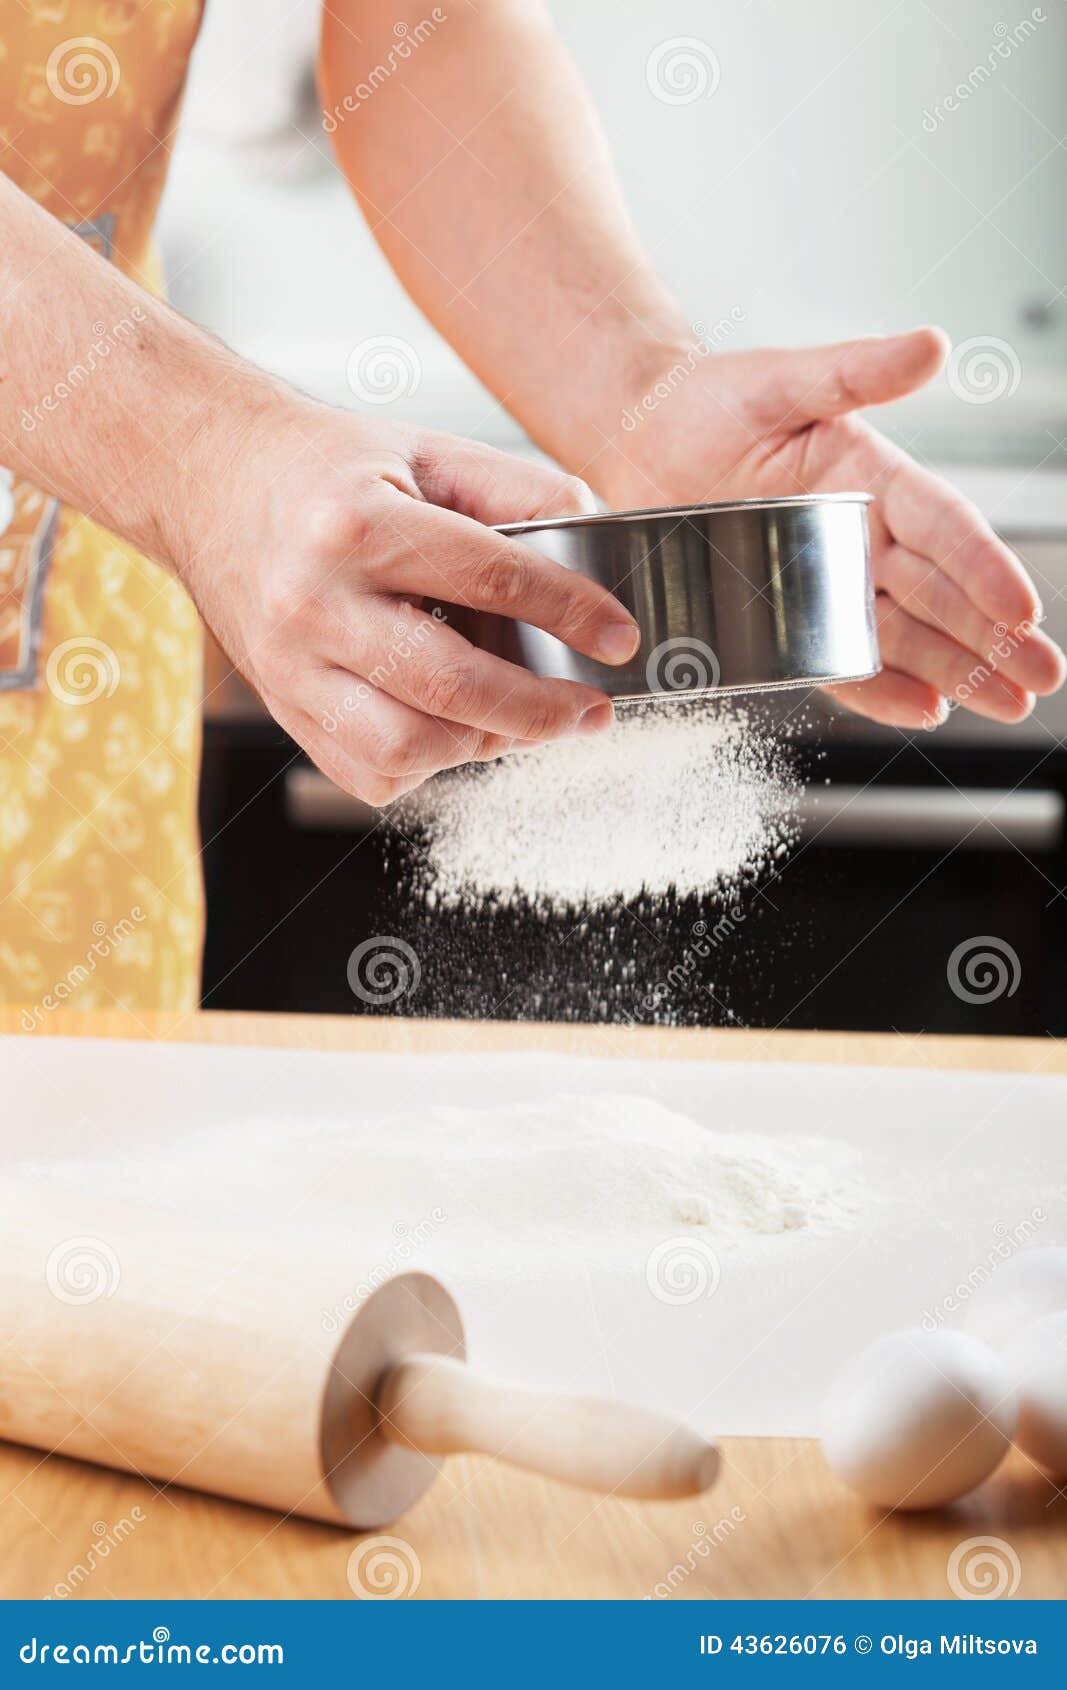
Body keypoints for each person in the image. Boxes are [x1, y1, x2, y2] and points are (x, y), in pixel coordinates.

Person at [1, 1, 1062, 1018]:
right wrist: (197, 453)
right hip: (129, 465)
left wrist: (631, 393)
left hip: (72, 651)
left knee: (93, 1175)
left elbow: (426, 18)